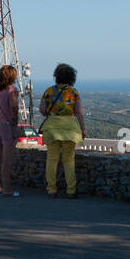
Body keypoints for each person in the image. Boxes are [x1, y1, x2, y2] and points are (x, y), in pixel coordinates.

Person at [39, 63, 86, 199]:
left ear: (56, 76)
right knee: (69, 160)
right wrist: (82, 129)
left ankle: (51, 190)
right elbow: (79, 113)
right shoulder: (73, 92)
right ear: (71, 77)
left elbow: (42, 110)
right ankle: (71, 190)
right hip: (70, 129)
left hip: (52, 128)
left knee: (52, 160)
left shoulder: (49, 91)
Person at [0, 65, 21, 197]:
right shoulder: (11, 90)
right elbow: (14, 107)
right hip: (7, 126)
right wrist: (14, 122)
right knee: (7, 159)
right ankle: (7, 188)